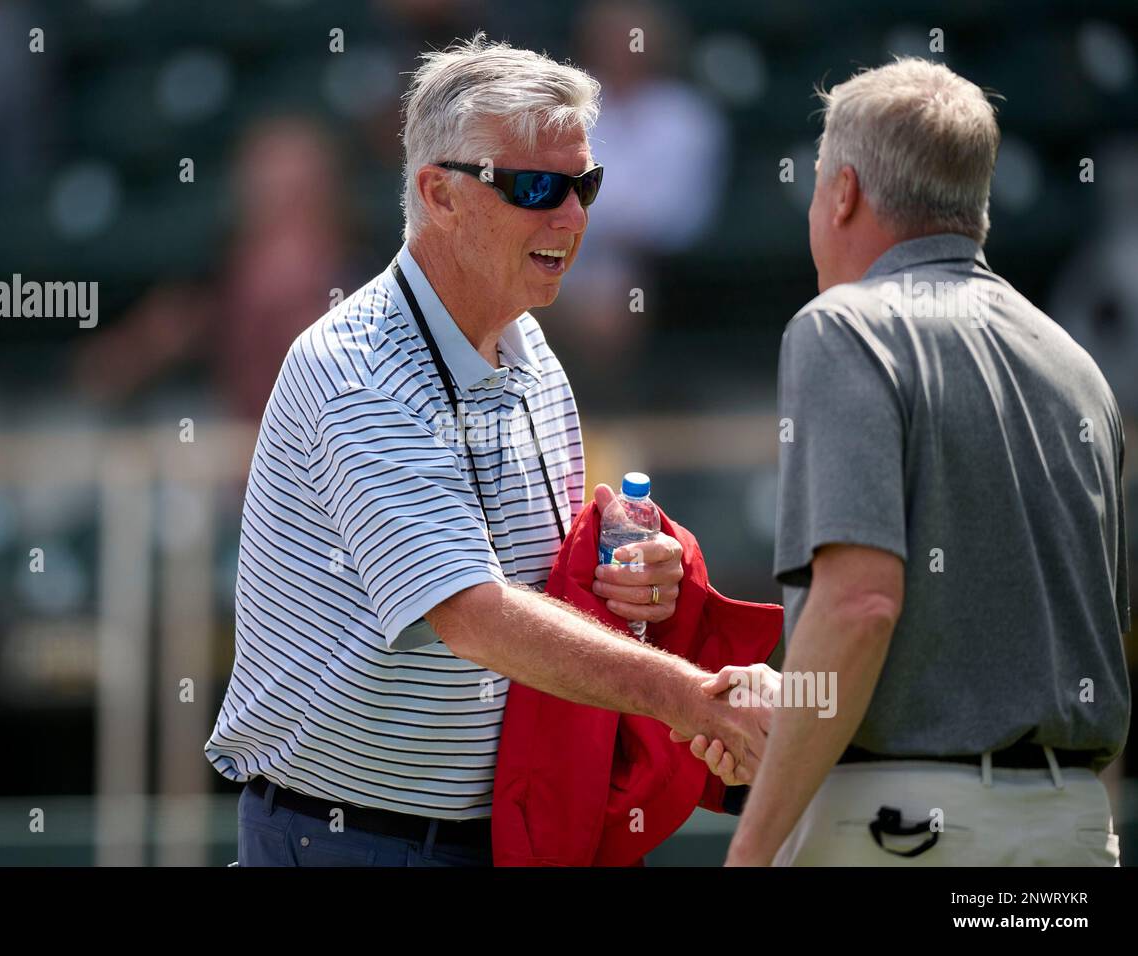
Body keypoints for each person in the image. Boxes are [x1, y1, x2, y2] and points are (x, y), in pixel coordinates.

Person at [205, 35, 772, 868]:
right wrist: (691, 699)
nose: (573, 215)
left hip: (501, 836)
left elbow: (541, 585)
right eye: (536, 186)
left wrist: (632, 572)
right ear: (438, 194)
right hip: (344, 837)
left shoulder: (533, 351)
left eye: (585, 185)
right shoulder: (356, 367)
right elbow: (471, 613)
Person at [697, 57, 1129, 866]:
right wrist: (797, 710)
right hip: (1073, 835)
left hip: (907, 837)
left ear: (844, 193)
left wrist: (751, 850)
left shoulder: (844, 327)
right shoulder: (1080, 370)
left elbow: (859, 607)